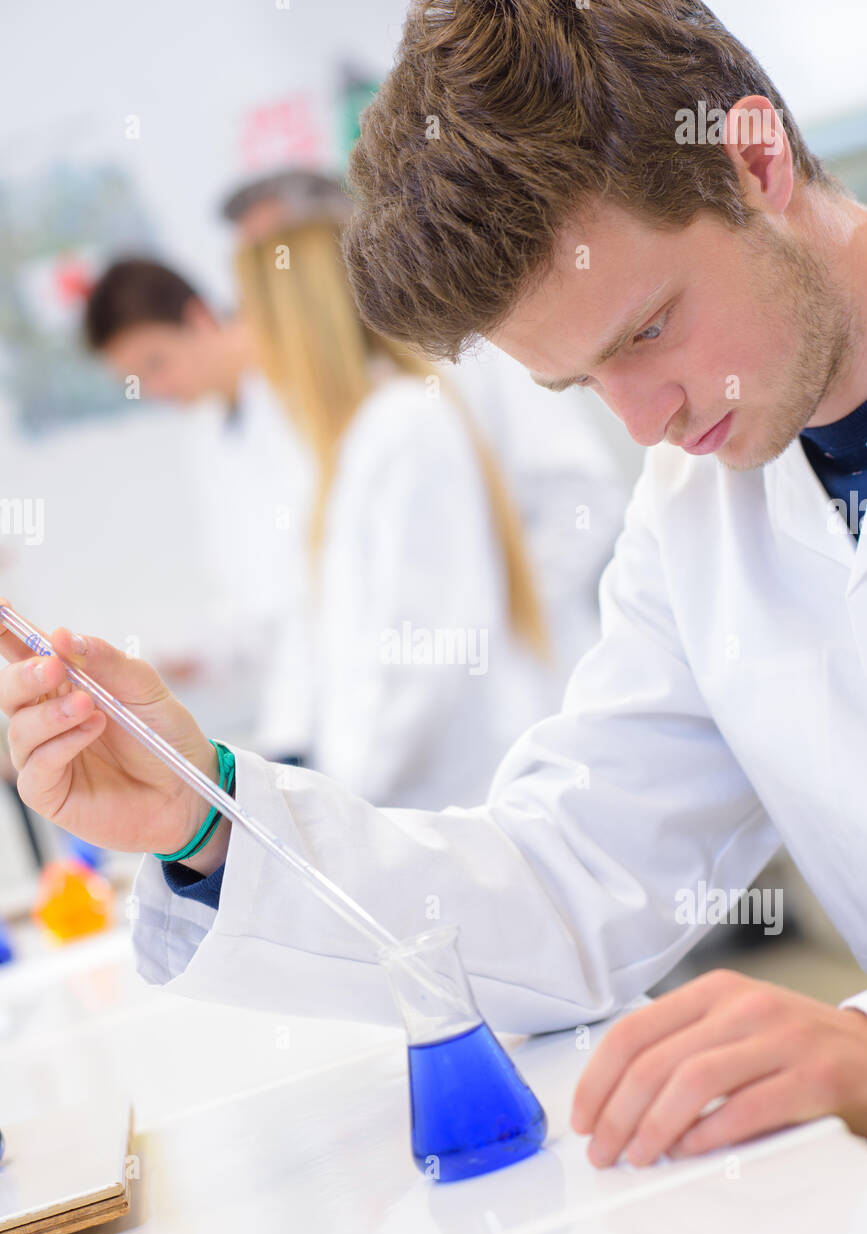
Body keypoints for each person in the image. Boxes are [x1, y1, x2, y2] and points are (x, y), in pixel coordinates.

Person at [4, 0, 867, 1171]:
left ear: (756, 158)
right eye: (580, 385)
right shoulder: (697, 510)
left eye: (648, 329)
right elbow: (570, 879)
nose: (646, 421)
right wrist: (209, 817)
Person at [224, 180, 556, 808]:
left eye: (247, 315)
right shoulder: (358, 439)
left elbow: (420, 656)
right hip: (404, 799)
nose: (242, 339)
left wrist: (326, 808)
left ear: (294, 324)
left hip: (452, 793)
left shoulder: (403, 427)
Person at [84, 258, 314, 764]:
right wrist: (193, 656)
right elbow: (254, 594)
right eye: (136, 380)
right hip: (298, 716)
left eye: (155, 364)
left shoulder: (306, 388)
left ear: (200, 318)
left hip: (356, 704)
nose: (155, 390)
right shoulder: (209, 432)